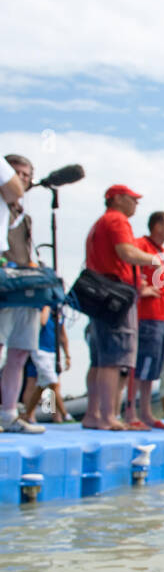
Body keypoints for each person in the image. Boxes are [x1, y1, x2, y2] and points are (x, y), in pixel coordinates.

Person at [81, 184, 162, 431]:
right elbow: (125, 252)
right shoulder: (117, 220)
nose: (136, 203)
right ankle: (108, 416)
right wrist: (153, 259)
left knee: (99, 359)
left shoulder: (99, 223)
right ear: (116, 199)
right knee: (114, 360)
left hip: (100, 296)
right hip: (115, 296)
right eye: (132, 199)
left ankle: (93, 414)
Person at [0, 154, 43, 432]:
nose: (22, 179)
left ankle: (9, 414)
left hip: (24, 289)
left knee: (19, 353)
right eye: (17, 173)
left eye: (26, 175)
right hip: (5, 285)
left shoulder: (23, 216)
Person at [128, 210, 164, 430]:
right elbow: (124, 269)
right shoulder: (139, 245)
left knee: (152, 369)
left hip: (163, 315)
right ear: (157, 226)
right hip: (147, 315)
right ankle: (132, 413)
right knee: (140, 366)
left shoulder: (161, 251)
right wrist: (140, 288)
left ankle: (146, 412)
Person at [19, 305, 71, 423]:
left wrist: (67, 355)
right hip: (37, 350)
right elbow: (42, 322)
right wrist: (46, 307)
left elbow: (63, 334)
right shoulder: (40, 306)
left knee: (46, 384)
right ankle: (64, 414)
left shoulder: (59, 311)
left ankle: (55, 416)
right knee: (40, 382)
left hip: (53, 351)